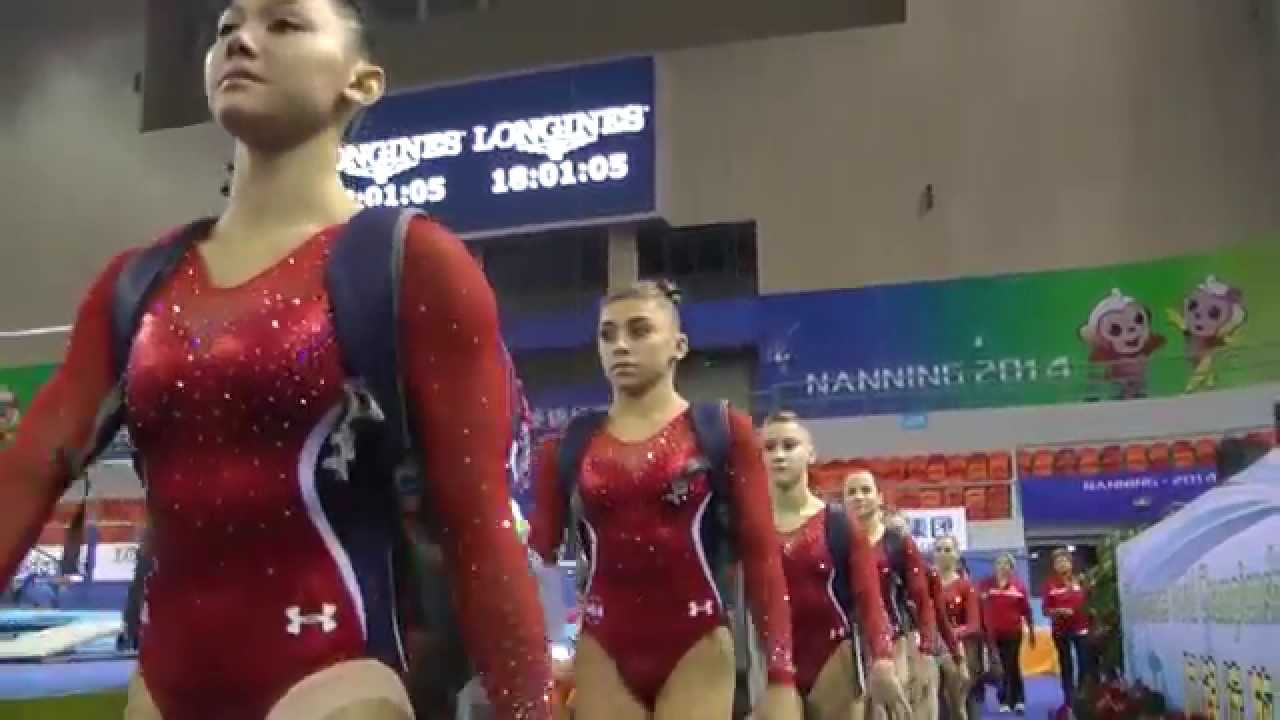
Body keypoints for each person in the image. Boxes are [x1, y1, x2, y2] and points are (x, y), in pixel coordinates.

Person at [0, 1, 554, 717]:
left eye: (284, 25)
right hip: (165, 688)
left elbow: (478, 525)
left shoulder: (410, 264)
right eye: (228, 28)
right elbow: (26, 472)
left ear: (361, 82)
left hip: (334, 682)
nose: (242, 41)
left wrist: (528, 706)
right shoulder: (138, 284)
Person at [529, 280, 802, 720]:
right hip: (603, 650)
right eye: (608, 334)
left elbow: (762, 557)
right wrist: (536, 660)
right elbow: (535, 564)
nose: (621, 346)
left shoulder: (722, 431)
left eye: (639, 331)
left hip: (697, 644)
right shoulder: (566, 447)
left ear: (678, 345)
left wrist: (782, 677)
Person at [761, 411, 910, 719]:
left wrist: (882, 658)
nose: (779, 455)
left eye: (789, 446)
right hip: (769, 663)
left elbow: (869, 600)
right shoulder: (750, 527)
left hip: (832, 659)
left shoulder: (839, 524)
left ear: (810, 453)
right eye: (770, 447)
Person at [845, 471, 960, 720]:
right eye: (851, 492)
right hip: (853, 645)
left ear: (879, 497)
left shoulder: (898, 542)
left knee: (901, 711)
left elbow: (922, 598)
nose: (858, 497)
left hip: (898, 642)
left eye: (865, 490)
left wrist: (926, 649)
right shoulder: (838, 542)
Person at [882, 509, 964, 720]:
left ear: (909, 533)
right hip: (888, 649)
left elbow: (940, 616)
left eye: (900, 531)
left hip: (921, 649)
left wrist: (956, 655)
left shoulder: (928, 573)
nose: (896, 538)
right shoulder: (876, 571)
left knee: (925, 708)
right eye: (891, 532)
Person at [933, 536, 984, 720]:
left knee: (958, 702)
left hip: (958, 649)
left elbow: (974, 624)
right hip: (930, 648)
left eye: (948, 550)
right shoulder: (927, 583)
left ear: (957, 554)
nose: (943, 554)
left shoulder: (966, 586)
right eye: (938, 549)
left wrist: (949, 634)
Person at [980, 553, 1035, 715]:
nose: (1003, 566)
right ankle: (1003, 700)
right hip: (991, 635)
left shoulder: (1018, 586)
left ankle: (1018, 700)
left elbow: (1027, 611)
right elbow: (978, 605)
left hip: (1013, 633)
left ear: (1012, 568)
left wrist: (1031, 632)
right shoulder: (985, 585)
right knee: (998, 668)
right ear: (994, 566)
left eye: (1006, 564)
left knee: (1013, 666)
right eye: (999, 563)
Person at [1042, 548, 1093, 710]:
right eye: (1058, 562)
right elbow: (1045, 610)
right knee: (1066, 665)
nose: (1062, 564)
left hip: (1082, 629)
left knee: (1085, 663)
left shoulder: (1081, 581)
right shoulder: (1049, 584)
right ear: (1054, 566)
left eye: (1065, 561)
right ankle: (1069, 700)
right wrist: (1059, 611)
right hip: (1060, 631)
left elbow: (1090, 602)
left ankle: (1083, 696)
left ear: (1071, 564)